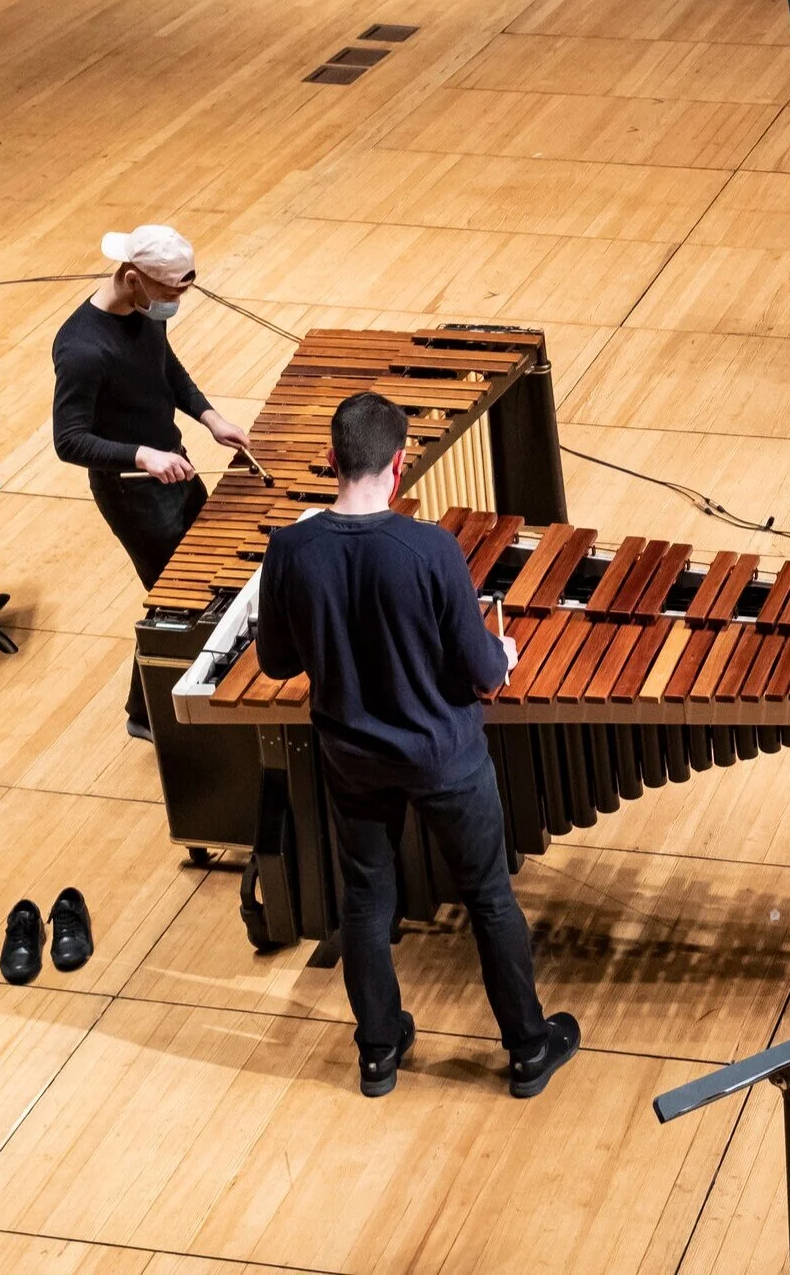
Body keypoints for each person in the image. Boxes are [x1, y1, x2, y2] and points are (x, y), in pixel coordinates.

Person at [254, 392, 579, 1100]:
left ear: (332, 460)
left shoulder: (290, 551)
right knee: (489, 896)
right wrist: (502, 653)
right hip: (444, 759)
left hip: (352, 761)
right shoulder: (428, 548)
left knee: (367, 901)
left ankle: (377, 1052)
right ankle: (526, 1048)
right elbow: (481, 671)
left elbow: (277, 664)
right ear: (399, 466)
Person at [51, 225, 254, 740]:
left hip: (173, 466)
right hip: (132, 492)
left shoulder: (143, 315)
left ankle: (179, 696)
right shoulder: (83, 349)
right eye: (169, 292)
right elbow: (69, 441)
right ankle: (146, 714)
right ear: (132, 278)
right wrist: (142, 456)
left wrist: (209, 417)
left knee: (211, 578)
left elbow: (166, 369)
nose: (175, 302)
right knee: (177, 603)